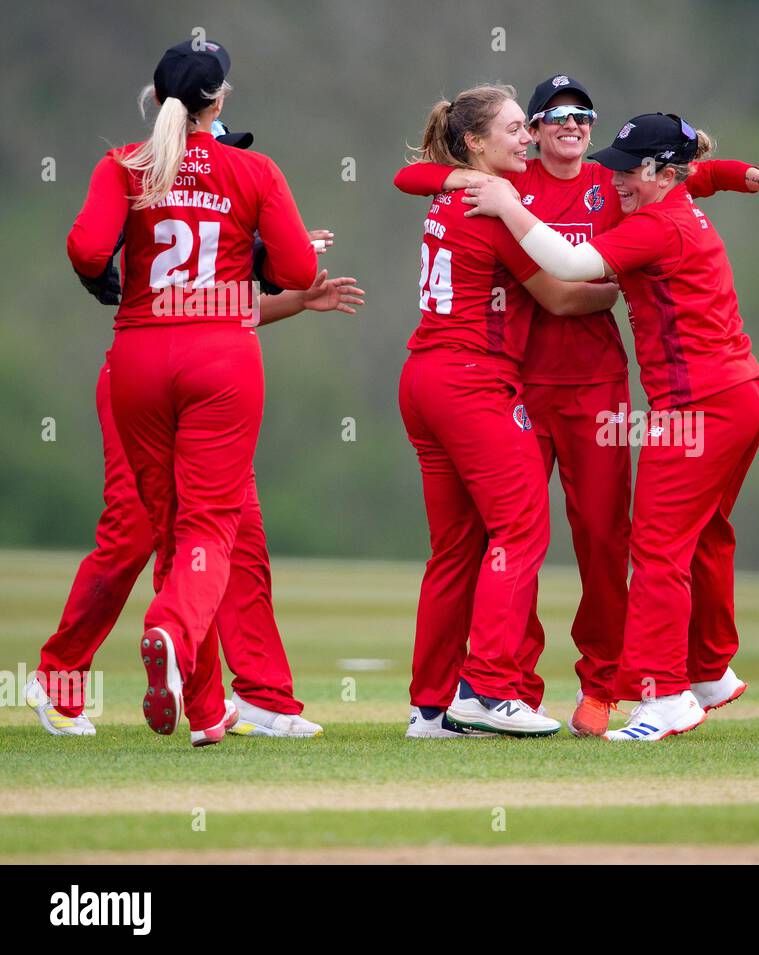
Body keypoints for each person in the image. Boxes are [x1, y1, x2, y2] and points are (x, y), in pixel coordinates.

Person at [396, 73, 759, 736]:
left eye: (582, 114)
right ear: (526, 131)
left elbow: (699, 173)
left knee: (607, 541)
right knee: (513, 538)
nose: (568, 125)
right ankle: (506, 686)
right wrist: (458, 182)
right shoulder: (509, 182)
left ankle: (604, 684)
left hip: (599, 391)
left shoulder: (617, 183)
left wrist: (756, 176)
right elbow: (413, 179)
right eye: (548, 118)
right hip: (517, 387)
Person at [65, 39, 319, 746]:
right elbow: (298, 266)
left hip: (139, 355)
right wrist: (258, 252)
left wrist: (104, 275)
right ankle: (170, 629)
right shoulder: (251, 167)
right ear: (221, 101)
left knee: (172, 527)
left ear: (157, 95)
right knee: (210, 526)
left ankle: (206, 709)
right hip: (220, 358)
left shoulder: (124, 164)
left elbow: (88, 249)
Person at [26, 222, 361, 738]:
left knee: (240, 536)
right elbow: (173, 308)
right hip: (145, 388)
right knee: (132, 534)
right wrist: (270, 257)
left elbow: (223, 311)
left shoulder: (215, 210)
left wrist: (294, 296)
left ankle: (260, 697)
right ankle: (59, 678)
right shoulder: (161, 202)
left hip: (208, 393)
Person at [397, 84, 621, 739]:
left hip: (423, 379)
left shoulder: (453, 190)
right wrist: (616, 286)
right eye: (519, 128)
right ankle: (489, 689)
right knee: (522, 529)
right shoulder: (495, 208)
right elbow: (558, 296)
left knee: (455, 549)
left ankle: (429, 707)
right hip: (471, 383)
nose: (529, 137)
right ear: (476, 142)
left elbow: (412, 174)